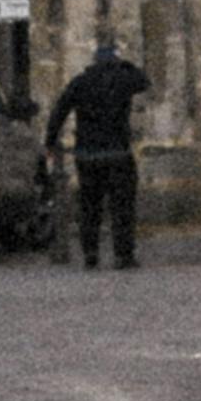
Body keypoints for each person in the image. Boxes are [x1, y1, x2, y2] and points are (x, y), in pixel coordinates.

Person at [45, 29, 146, 270]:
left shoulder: (81, 82)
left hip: (87, 154)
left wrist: (50, 140)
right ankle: (123, 254)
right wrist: (125, 64)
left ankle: (90, 253)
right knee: (122, 207)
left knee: (90, 206)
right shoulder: (124, 79)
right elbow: (144, 81)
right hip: (118, 153)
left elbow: (59, 110)